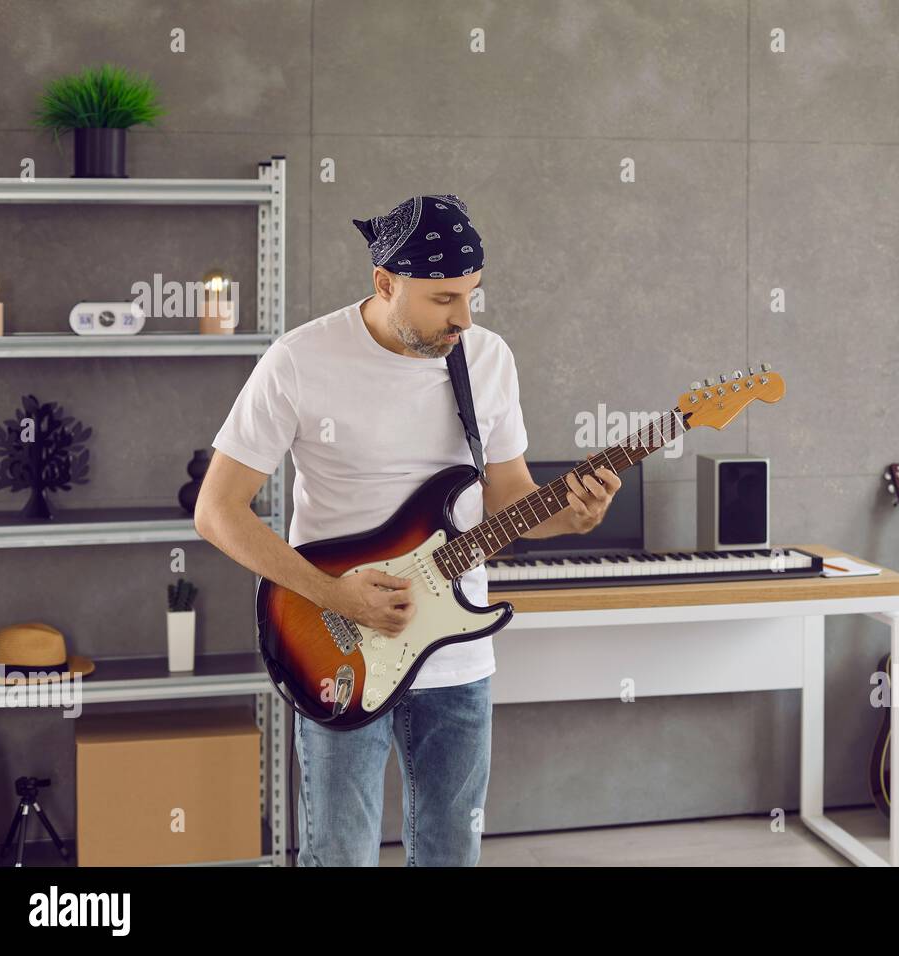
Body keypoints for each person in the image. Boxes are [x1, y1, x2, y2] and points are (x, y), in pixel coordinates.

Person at [194, 194, 620, 866]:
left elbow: (510, 501)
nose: (464, 318)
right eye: (443, 299)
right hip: (336, 648)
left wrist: (570, 516)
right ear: (385, 283)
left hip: (457, 652)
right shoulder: (300, 359)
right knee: (342, 853)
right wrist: (337, 596)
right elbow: (217, 511)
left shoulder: (487, 359)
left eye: (473, 295)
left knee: (452, 851)